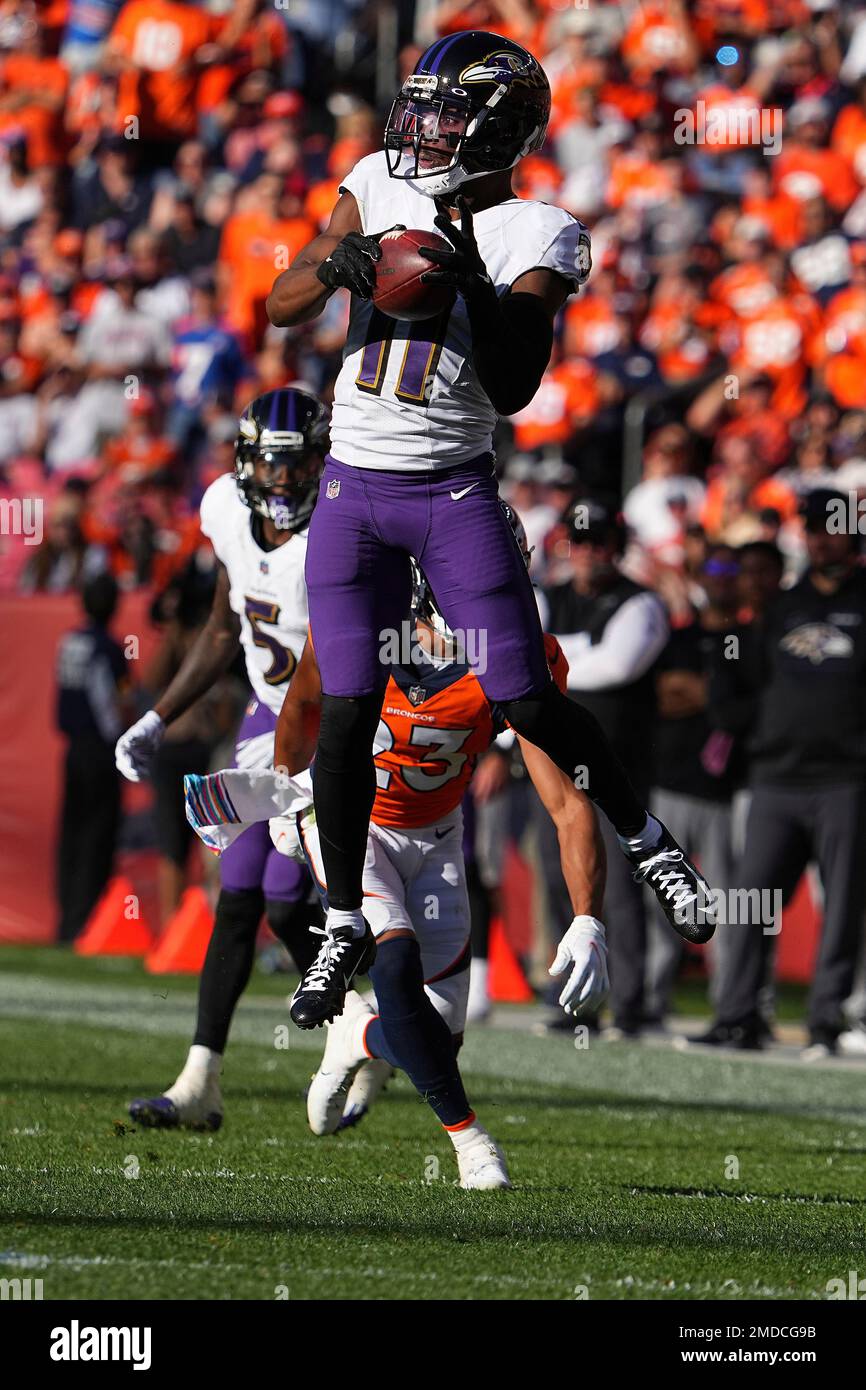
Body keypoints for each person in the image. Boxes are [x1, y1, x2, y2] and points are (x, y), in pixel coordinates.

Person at [265, 29, 715, 1028]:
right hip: (352, 484)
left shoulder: (538, 230)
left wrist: (459, 278)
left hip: (449, 491)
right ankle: (342, 917)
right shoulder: (376, 182)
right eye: (416, 109)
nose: (418, 131)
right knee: (346, 708)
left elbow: (512, 384)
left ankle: (642, 837)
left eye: (443, 116)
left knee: (522, 691)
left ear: (500, 132)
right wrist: (340, 265)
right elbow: (278, 301)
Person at [184, 506, 609, 1188]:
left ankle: (358, 1037)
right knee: (395, 956)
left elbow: (565, 800)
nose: (494, 586)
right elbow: (300, 710)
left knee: (438, 1036)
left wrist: (588, 918)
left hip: (439, 833)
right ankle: (471, 1143)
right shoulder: (366, 627)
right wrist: (288, 801)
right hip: (354, 825)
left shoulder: (523, 657)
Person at [115, 387, 327, 1128]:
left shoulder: (340, 530)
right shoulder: (225, 513)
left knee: (284, 899)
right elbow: (219, 628)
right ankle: (200, 1080)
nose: (283, 482)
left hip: (336, 732)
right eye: (270, 466)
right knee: (237, 894)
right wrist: (157, 714)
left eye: (298, 466)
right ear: (244, 463)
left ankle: (365, 1031)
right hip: (266, 719)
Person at [694, 490, 866, 1058]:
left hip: (845, 778)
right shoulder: (781, 608)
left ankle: (825, 1020)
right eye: (813, 528)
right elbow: (744, 683)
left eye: (832, 528)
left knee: (841, 906)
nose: (821, 538)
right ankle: (738, 1016)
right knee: (751, 900)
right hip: (776, 779)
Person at [541, 497, 669, 1037]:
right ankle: (571, 1003)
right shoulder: (548, 596)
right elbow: (518, 661)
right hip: (553, 764)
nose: (589, 552)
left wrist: (552, 660)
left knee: (620, 888)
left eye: (599, 542)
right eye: (581, 540)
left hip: (619, 769)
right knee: (558, 882)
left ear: (617, 548)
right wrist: (562, 656)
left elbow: (618, 665)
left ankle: (632, 1004)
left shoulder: (641, 602)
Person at [55, 571, 129, 943]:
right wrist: (120, 742)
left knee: (71, 833)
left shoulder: (70, 641)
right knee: (97, 836)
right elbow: (107, 704)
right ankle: (84, 922)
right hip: (98, 751)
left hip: (73, 749)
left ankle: (67, 917)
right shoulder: (107, 647)